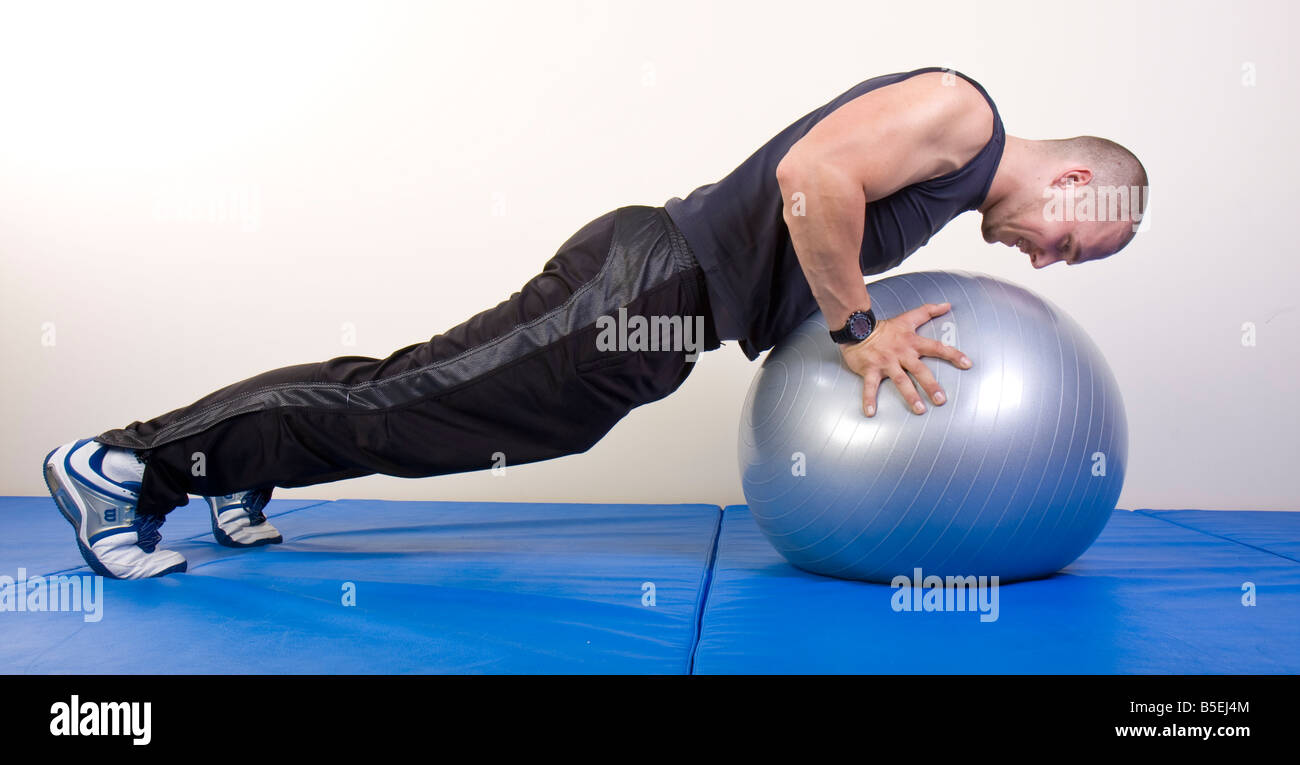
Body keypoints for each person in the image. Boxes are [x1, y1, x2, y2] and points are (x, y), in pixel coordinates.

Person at [41, 66, 1148, 579]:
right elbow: (814, 175)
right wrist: (861, 331)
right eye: (1071, 240)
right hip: (649, 284)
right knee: (415, 400)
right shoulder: (964, 109)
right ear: (1084, 181)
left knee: (431, 399)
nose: (1047, 259)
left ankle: (241, 460)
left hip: (666, 315)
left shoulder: (960, 177)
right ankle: (125, 465)